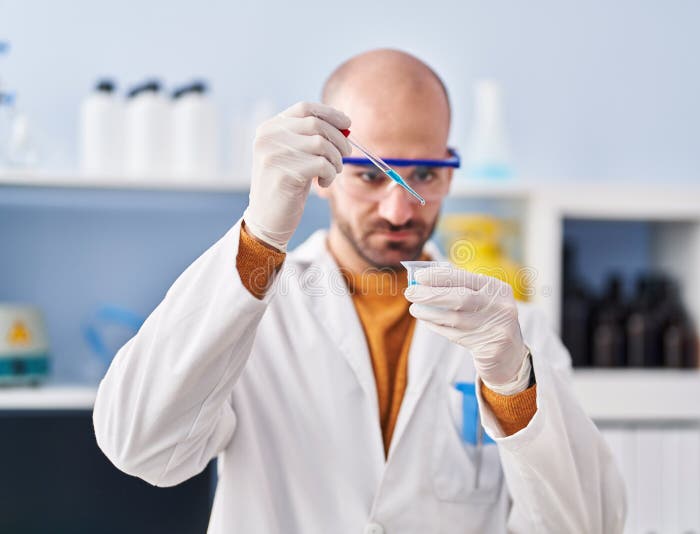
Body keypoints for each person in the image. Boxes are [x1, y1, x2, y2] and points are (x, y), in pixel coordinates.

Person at [93, 49, 626, 533]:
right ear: (323, 169)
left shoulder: (513, 333)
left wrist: (512, 386)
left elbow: (586, 527)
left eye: (425, 174)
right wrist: (259, 235)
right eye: (372, 176)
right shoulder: (255, 308)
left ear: (452, 171)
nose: (399, 212)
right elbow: (141, 447)